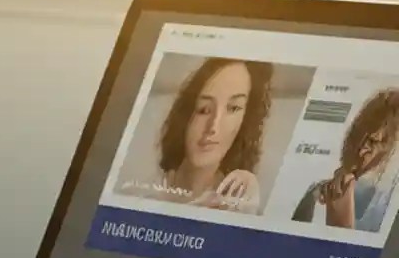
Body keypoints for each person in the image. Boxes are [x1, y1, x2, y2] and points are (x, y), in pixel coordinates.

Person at [141, 57, 274, 214]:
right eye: (204, 110)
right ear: (185, 114)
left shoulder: (242, 201)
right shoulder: (144, 194)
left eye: (233, 108)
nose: (213, 127)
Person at [291, 88, 399, 231]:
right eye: (358, 136)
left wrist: (341, 226)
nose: (361, 151)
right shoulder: (316, 196)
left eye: (375, 143)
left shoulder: (385, 205)